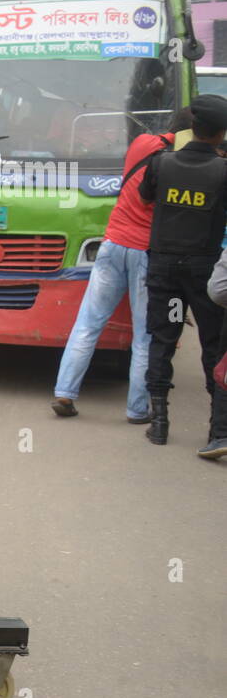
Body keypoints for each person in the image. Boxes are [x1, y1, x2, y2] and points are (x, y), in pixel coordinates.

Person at [51, 109, 192, 423]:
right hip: (147, 253)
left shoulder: (142, 143)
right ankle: (137, 409)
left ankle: (64, 392)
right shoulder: (182, 167)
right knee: (145, 335)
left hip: (112, 243)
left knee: (88, 323)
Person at [138, 94, 227, 458]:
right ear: (221, 133)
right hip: (203, 276)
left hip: (166, 272)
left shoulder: (161, 163)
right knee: (212, 345)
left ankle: (159, 424)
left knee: (164, 337)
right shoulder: (223, 170)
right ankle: (217, 430)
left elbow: (145, 198)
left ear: (192, 127)